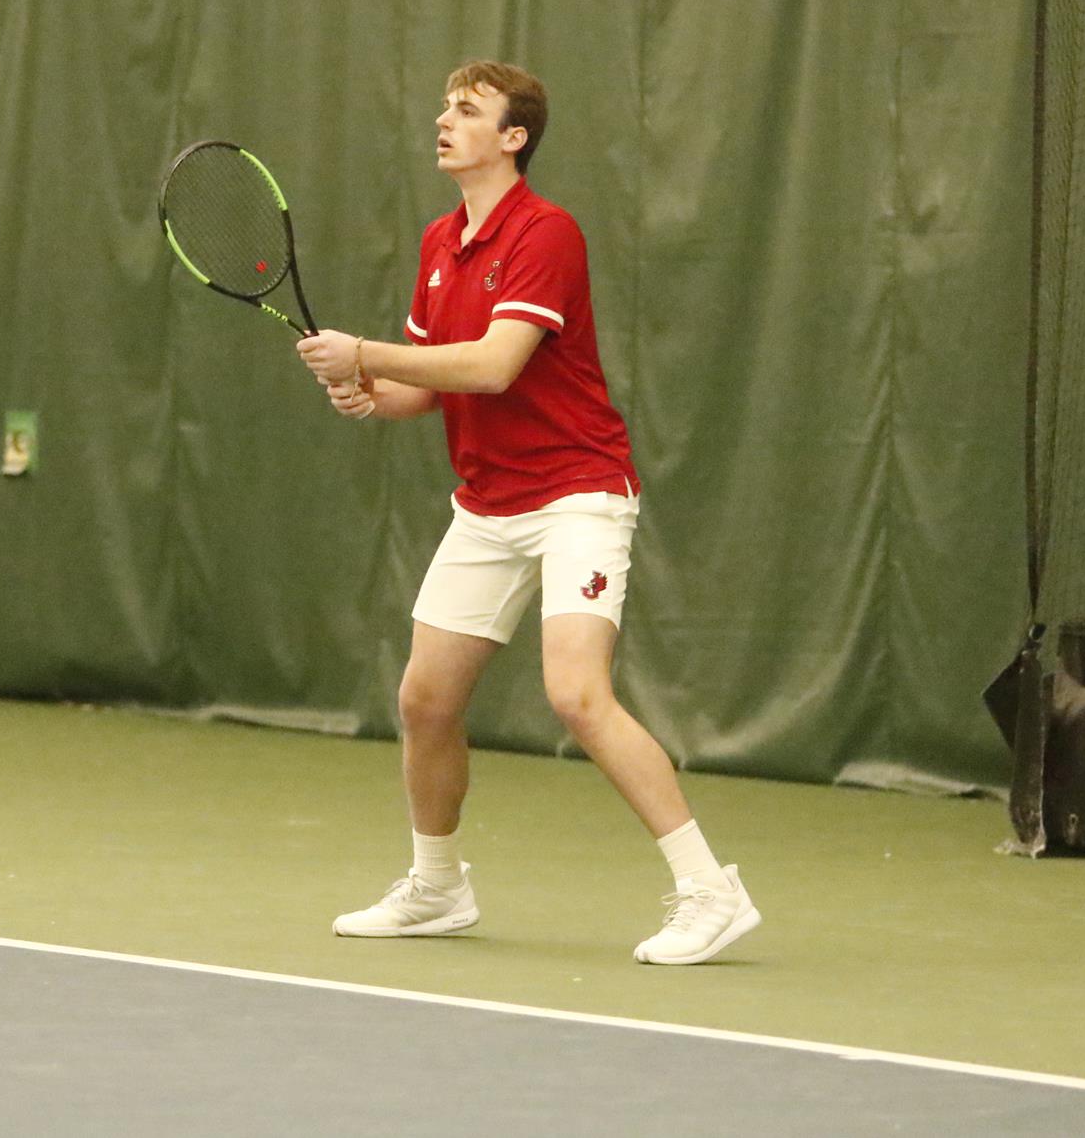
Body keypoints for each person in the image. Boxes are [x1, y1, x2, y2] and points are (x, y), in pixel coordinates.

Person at [295, 60, 760, 965]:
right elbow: (429, 386)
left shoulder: (549, 233)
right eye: (442, 107)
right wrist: (370, 390)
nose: (443, 120)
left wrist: (366, 350)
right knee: (425, 699)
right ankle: (437, 887)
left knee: (576, 692)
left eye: (466, 111)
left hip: (577, 491)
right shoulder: (441, 242)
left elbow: (493, 365)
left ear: (513, 137)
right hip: (487, 502)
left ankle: (711, 889)